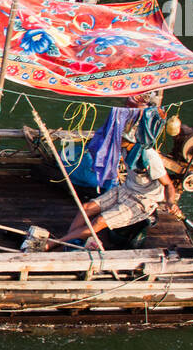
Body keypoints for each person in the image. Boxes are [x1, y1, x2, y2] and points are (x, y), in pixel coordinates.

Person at [50, 92, 178, 250]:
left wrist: (171, 202)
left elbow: (169, 185)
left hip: (142, 201)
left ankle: (56, 243)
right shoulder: (124, 150)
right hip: (126, 190)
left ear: (129, 140)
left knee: (100, 221)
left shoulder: (149, 156)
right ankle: (71, 242)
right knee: (86, 208)